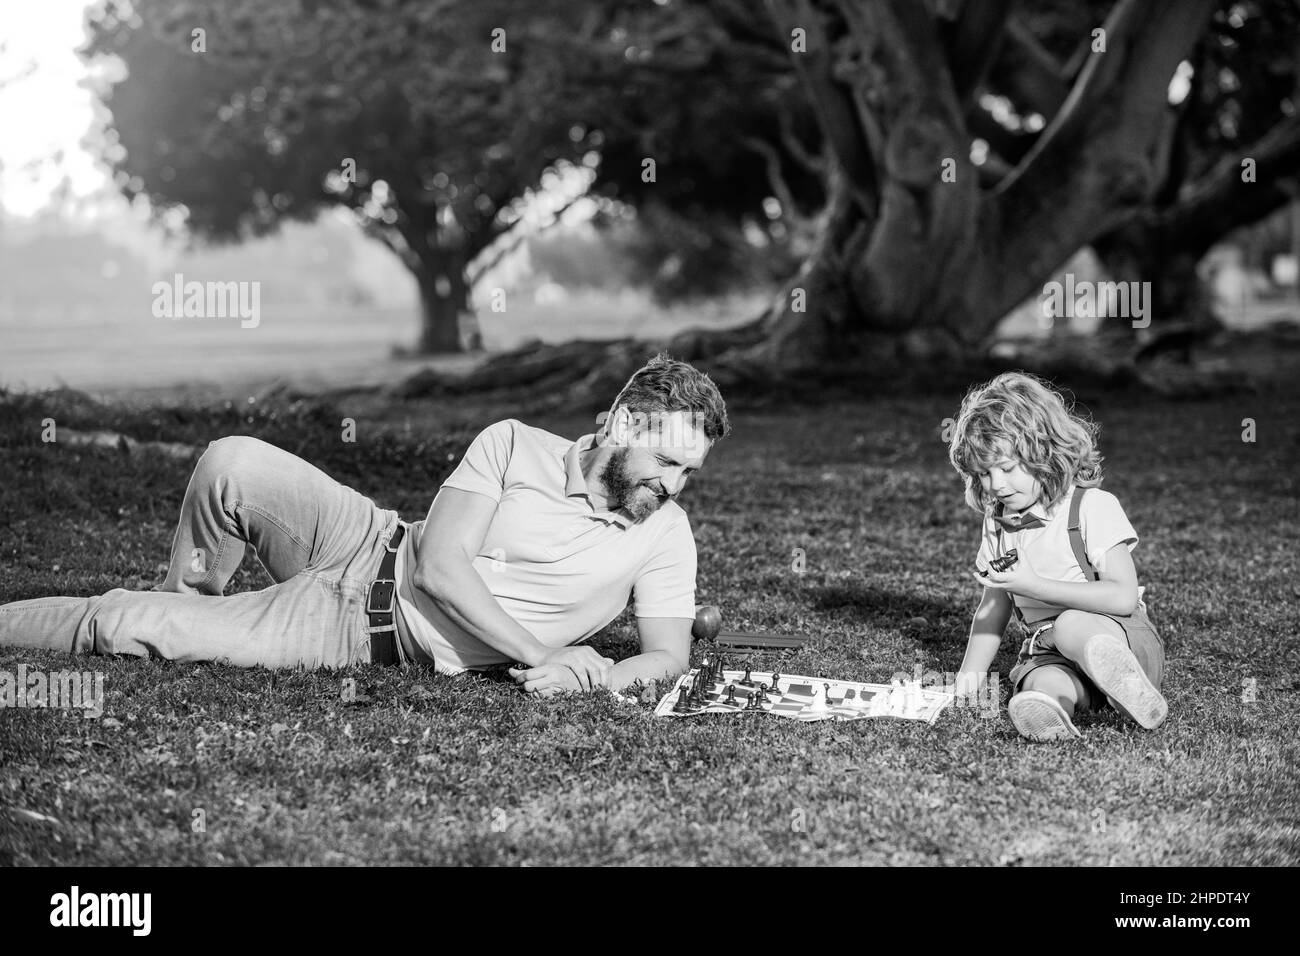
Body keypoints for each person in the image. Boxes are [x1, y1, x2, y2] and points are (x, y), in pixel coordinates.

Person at [0, 353, 729, 698]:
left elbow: (666, 655)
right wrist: (543, 654)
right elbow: (441, 567)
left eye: (689, 471)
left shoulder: (664, 533)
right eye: (666, 460)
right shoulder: (511, 442)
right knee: (232, 461)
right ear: (624, 422)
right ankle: (190, 601)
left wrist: (595, 678)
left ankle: (166, 620)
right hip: (367, 539)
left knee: (117, 623)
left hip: (356, 628)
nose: (674, 485)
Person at [947, 371, 1167, 741]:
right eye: (984, 474)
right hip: (1047, 646)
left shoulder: (1090, 506)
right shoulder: (998, 524)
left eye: (1007, 468)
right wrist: (968, 681)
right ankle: (1053, 710)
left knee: (1070, 627)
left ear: (1044, 452)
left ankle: (1127, 685)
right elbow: (993, 607)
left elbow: (1123, 596)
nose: (997, 484)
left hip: (1118, 636)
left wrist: (1036, 586)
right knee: (1040, 681)